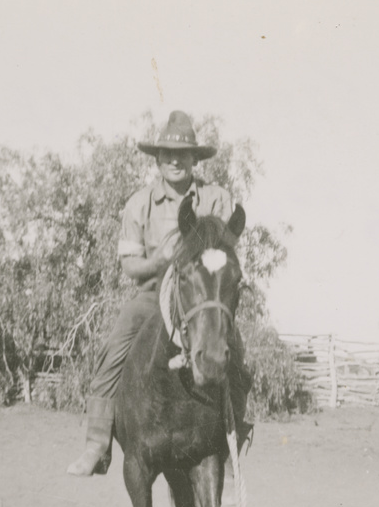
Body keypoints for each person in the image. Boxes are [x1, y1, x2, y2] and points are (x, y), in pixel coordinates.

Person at [67, 110, 246, 477]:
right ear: (158, 159)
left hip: (200, 297)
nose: (175, 161)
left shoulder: (216, 198)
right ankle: (97, 443)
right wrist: (161, 259)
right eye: (167, 154)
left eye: (183, 154)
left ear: (195, 159)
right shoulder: (140, 203)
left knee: (236, 354)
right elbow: (130, 266)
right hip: (152, 295)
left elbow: (225, 254)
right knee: (115, 344)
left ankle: (233, 441)